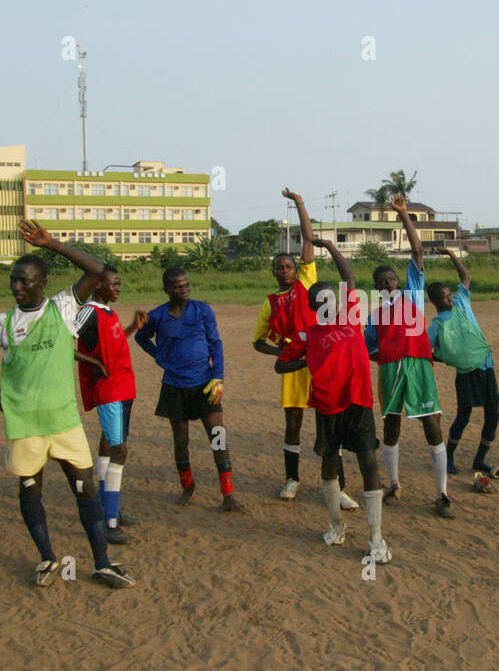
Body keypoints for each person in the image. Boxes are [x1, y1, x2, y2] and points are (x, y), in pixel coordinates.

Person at [0, 220, 134, 590]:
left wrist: (52, 244)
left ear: (42, 282)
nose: (17, 287)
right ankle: (47, 557)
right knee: (30, 492)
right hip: (25, 426)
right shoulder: (2, 323)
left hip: (64, 423)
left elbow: (97, 271)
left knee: (85, 491)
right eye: (14, 281)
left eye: (25, 281)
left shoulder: (63, 308)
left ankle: (103, 563)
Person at [275, 238, 391, 563]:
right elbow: (280, 365)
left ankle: (376, 537)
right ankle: (336, 524)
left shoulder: (351, 315)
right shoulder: (307, 334)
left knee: (369, 465)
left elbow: (348, 277)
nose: (326, 302)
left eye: (329, 297)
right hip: (327, 409)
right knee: (328, 467)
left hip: (358, 404)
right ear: (313, 307)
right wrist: (306, 361)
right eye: (319, 300)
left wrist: (329, 246)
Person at [252, 188, 357, 510]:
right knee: (293, 423)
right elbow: (258, 342)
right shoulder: (270, 303)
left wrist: (299, 203)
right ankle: (292, 479)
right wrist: (284, 354)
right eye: (279, 267)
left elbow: (308, 241)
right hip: (296, 366)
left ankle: (340, 487)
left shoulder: (307, 282)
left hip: (323, 361)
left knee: (331, 422)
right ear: (273, 272)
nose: (284, 269)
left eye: (288, 265)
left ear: (296, 268)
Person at [365, 193, 452, 519]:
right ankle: (394, 484)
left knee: (432, 425)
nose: (388, 283)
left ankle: (442, 493)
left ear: (399, 281)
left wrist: (403, 213)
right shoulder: (374, 316)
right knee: (391, 426)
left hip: (418, 367)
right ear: (376, 287)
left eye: (391, 278)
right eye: (381, 281)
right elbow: (368, 348)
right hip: (391, 370)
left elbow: (417, 250)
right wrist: (385, 356)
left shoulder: (413, 294)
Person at [133, 267, 243, 512]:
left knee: (218, 437)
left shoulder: (202, 310)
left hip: (205, 384)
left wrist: (219, 376)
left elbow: (215, 343)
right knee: (181, 441)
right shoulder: (157, 316)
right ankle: (187, 487)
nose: (184, 289)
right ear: (166, 289)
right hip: (174, 386)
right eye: (178, 286)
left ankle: (228, 495)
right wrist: (159, 356)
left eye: (186, 285)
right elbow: (141, 337)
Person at [73, 265, 138, 544]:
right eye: (114, 283)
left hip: (124, 386)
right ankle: (109, 523)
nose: (118, 288)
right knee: (119, 450)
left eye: (119, 283)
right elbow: (64, 340)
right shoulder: (89, 312)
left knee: (108, 445)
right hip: (110, 390)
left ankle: (106, 508)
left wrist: (133, 327)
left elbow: (114, 344)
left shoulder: (109, 313)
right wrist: (95, 363)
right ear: (98, 284)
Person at [426, 247, 499, 475]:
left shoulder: (462, 302)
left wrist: (451, 254)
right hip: (466, 374)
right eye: (444, 297)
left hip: (486, 367)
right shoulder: (437, 326)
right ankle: (449, 456)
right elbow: (425, 350)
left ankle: (480, 459)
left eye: (449, 295)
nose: (449, 299)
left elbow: (466, 277)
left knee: (493, 415)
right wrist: (443, 356)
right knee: (463, 416)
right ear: (435, 301)